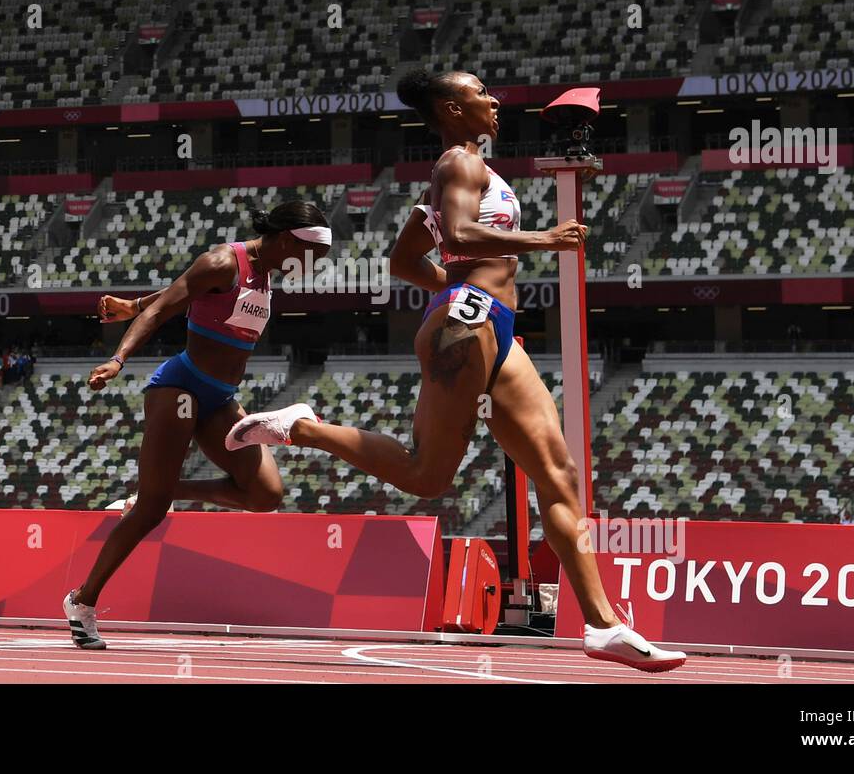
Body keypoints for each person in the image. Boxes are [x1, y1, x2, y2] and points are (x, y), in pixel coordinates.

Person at [227, 69, 684, 672]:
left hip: (490, 322)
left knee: (560, 472)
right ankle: (302, 427)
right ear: (452, 106)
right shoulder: (457, 166)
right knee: (426, 476)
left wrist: (458, 287)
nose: (494, 101)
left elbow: (404, 257)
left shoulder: (465, 173)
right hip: (463, 330)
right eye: (481, 94)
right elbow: (465, 236)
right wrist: (544, 241)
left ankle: (602, 626)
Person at [62, 200, 333, 651]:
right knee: (149, 511)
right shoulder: (224, 261)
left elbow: (179, 291)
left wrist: (132, 302)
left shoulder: (265, 273)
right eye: (310, 258)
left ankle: (171, 490)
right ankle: (82, 601)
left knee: (266, 494)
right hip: (180, 388)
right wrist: (117, 359)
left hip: (220, 398)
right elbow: (165, 309)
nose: (310, 269)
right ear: (288, 240)